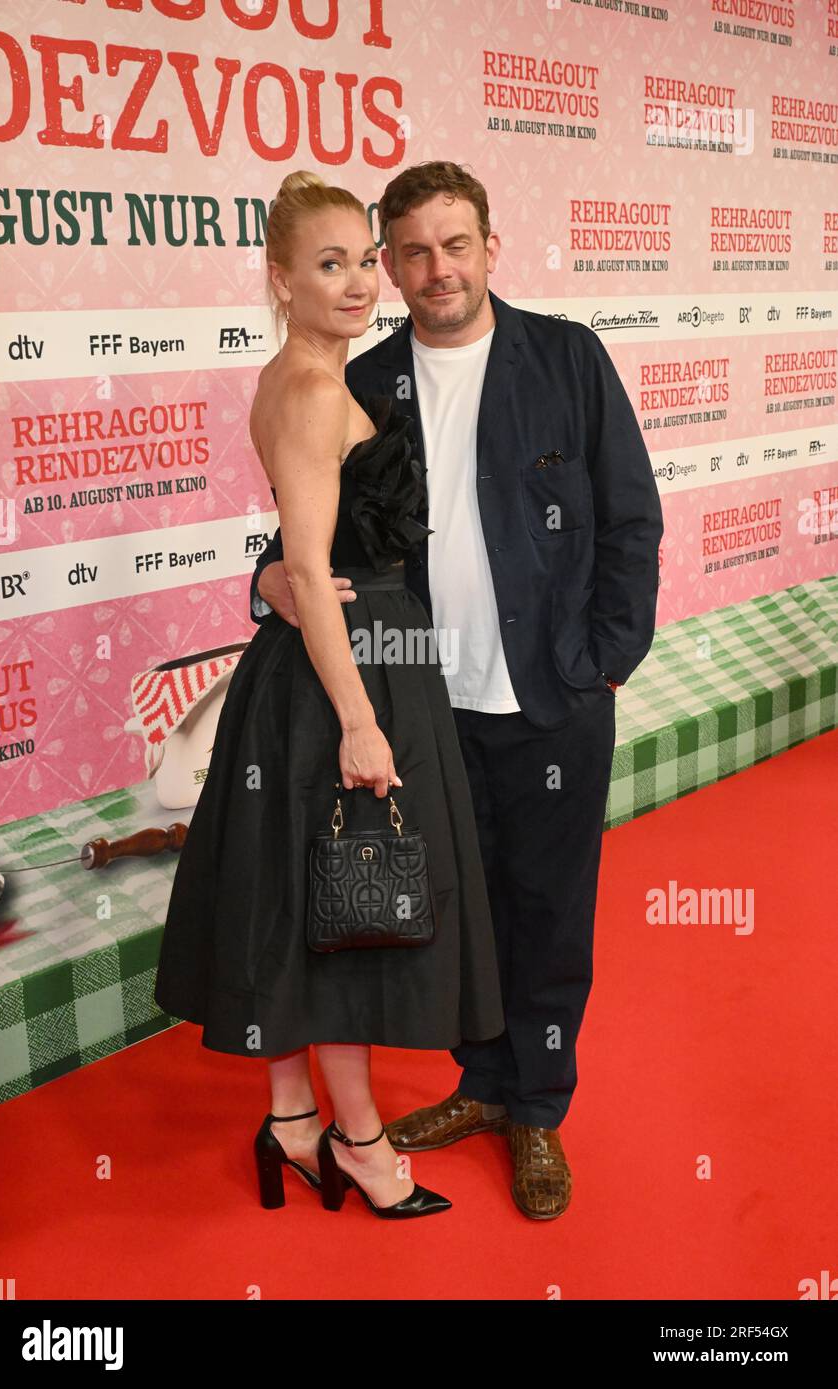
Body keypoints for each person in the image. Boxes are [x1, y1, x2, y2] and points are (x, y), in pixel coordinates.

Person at [252, 160, 664, 1220]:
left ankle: (536, 1106)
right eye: (413, 250)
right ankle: (480, 1084)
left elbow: (629, 518)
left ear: (490, 247)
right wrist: (265, 580)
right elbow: (315, 530)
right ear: (389, 262)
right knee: (460, 914)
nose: (436, 268)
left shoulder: (564, 359)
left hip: (550, 702)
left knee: (547, 908)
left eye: (455, 243)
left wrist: (606, 654)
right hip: (417, 709)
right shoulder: (365, 377)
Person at [154, 170, 506, 1220]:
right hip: (343, 674)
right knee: (347, 909)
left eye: (365, 258)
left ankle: (295, 1120)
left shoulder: (291, 374)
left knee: (303, 898)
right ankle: (358, 1142)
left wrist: (276, 583)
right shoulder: (312, 391)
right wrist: (358, 718)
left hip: (335, 656)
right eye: (329, 263)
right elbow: (311, 569)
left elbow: (297, 557)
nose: (360, 282)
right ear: (280, 278)